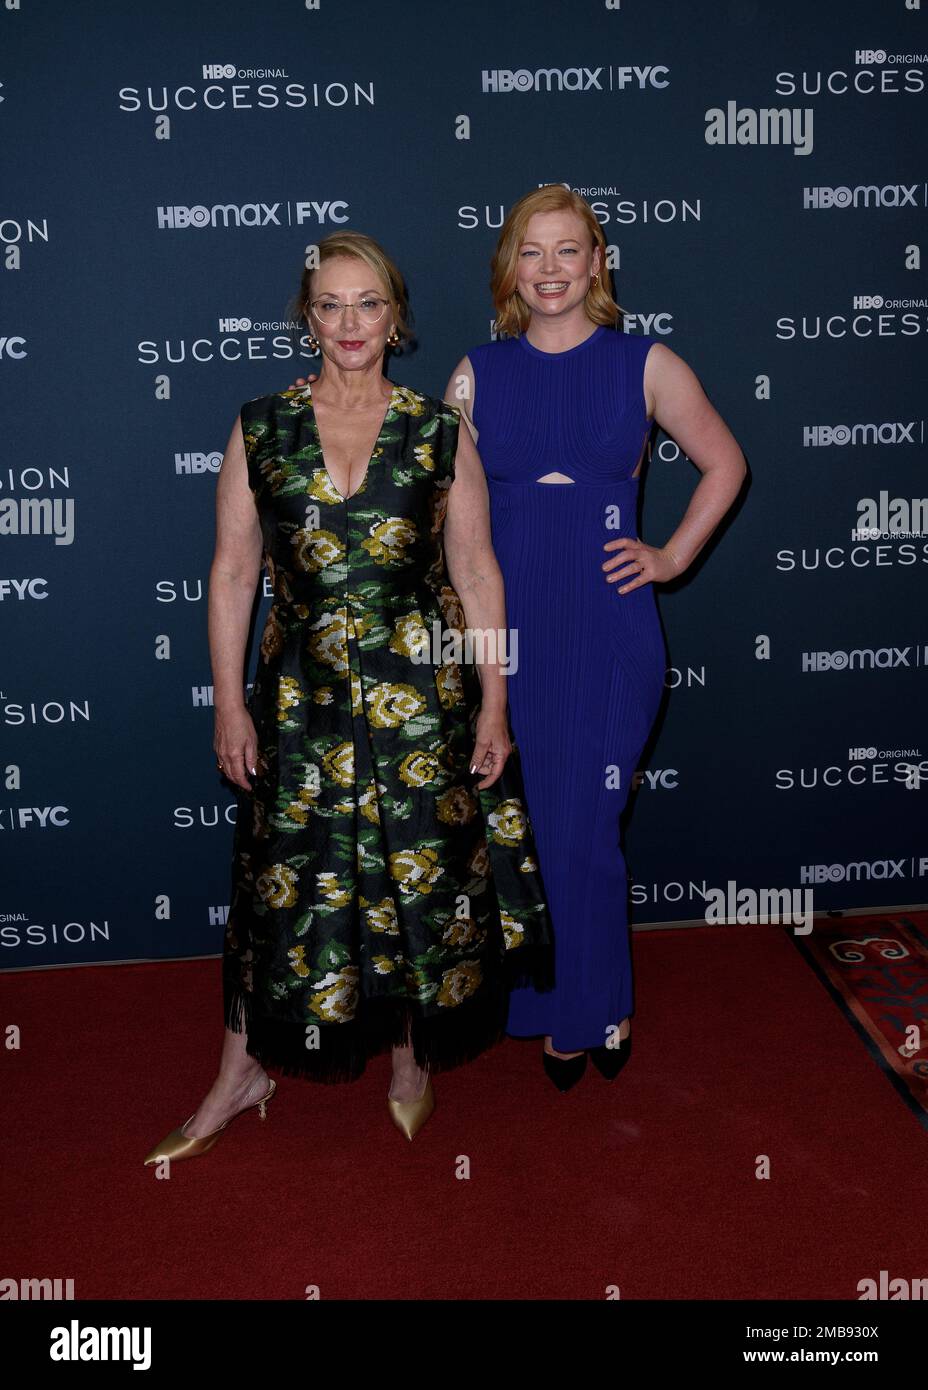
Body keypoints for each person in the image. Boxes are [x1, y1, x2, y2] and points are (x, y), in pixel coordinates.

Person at [143, 231, 553, 1163]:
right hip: (301, 701)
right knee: (280, 894)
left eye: (368, 303)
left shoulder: (440, 431)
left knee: (415, 881)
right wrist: (228, 703)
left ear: (394, 315)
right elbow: (233, 569)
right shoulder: (260, 425)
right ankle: (238, 1073)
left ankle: (412, 1062)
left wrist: (495, 701)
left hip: (423, 695)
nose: (350, 323)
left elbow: (479, 572)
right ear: (307, 318)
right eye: (330, 305)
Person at [443, 186, 746, 1090]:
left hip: (611, 627)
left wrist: (671, 558)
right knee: (527, 827)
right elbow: (414, 470)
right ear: (509, 268)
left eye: (567, 251)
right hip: (509, 625)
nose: (548, 270)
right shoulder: (473, 374)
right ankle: (550, 998)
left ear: (597, 263)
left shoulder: (646, 363)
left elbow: (726, 461)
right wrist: (328, 388)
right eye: (530, 252)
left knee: (587, 827)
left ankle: (594, 1006)